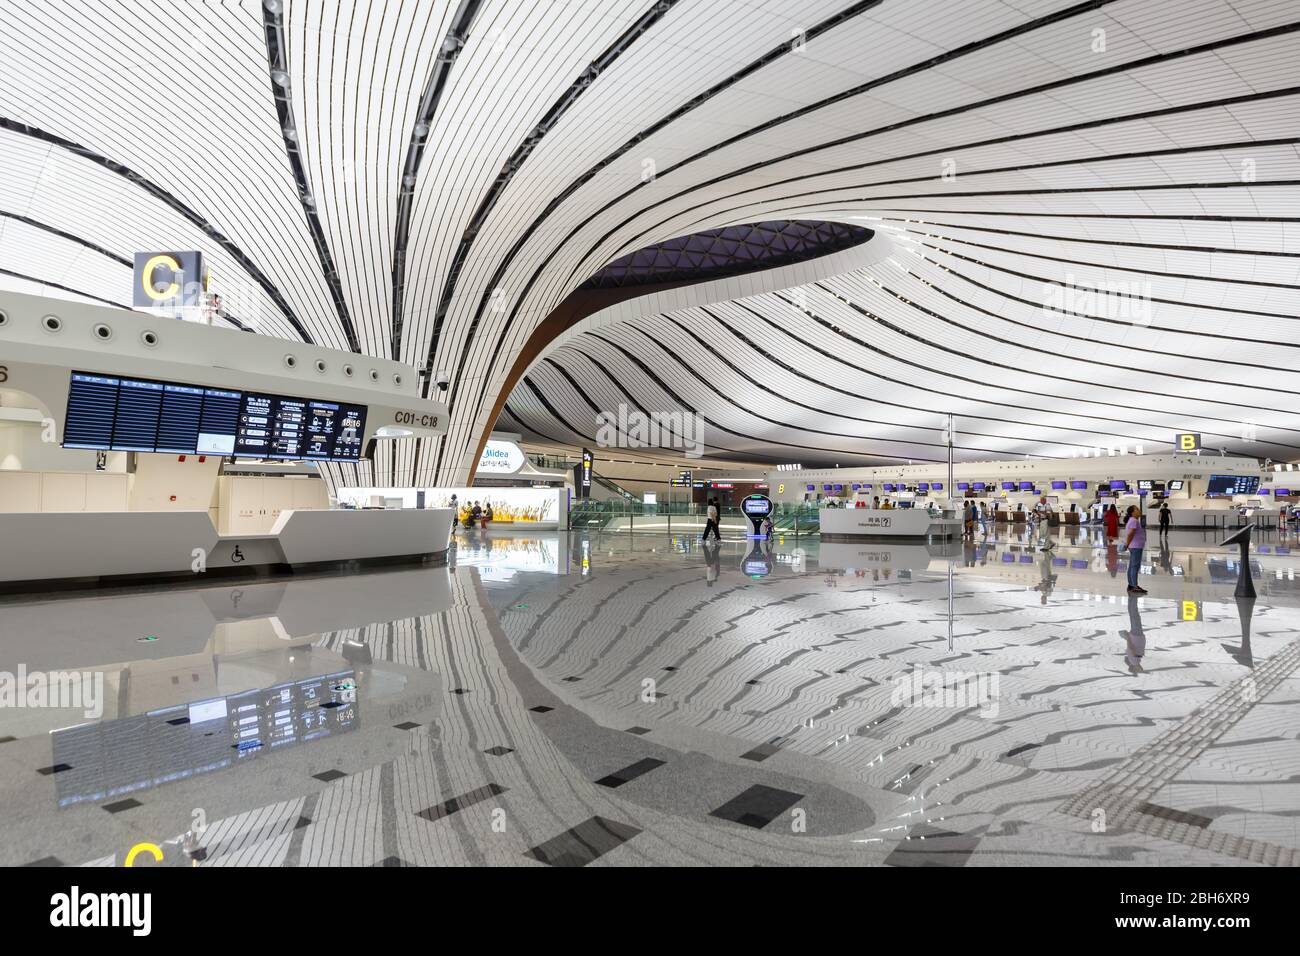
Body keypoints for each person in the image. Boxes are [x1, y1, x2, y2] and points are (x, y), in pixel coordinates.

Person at [1122, 504, 1147, 594]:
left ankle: (1131, 585)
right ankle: (1134, 586)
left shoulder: (1133, 520)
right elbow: (1131, 534)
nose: (1139, 510)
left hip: (1135, 546)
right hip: (1135, 546)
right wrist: (1127, 544)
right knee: (1134, 566)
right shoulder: (1134, 521)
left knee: (1132, 566)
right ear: (1132, 512)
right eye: (1137, 509)